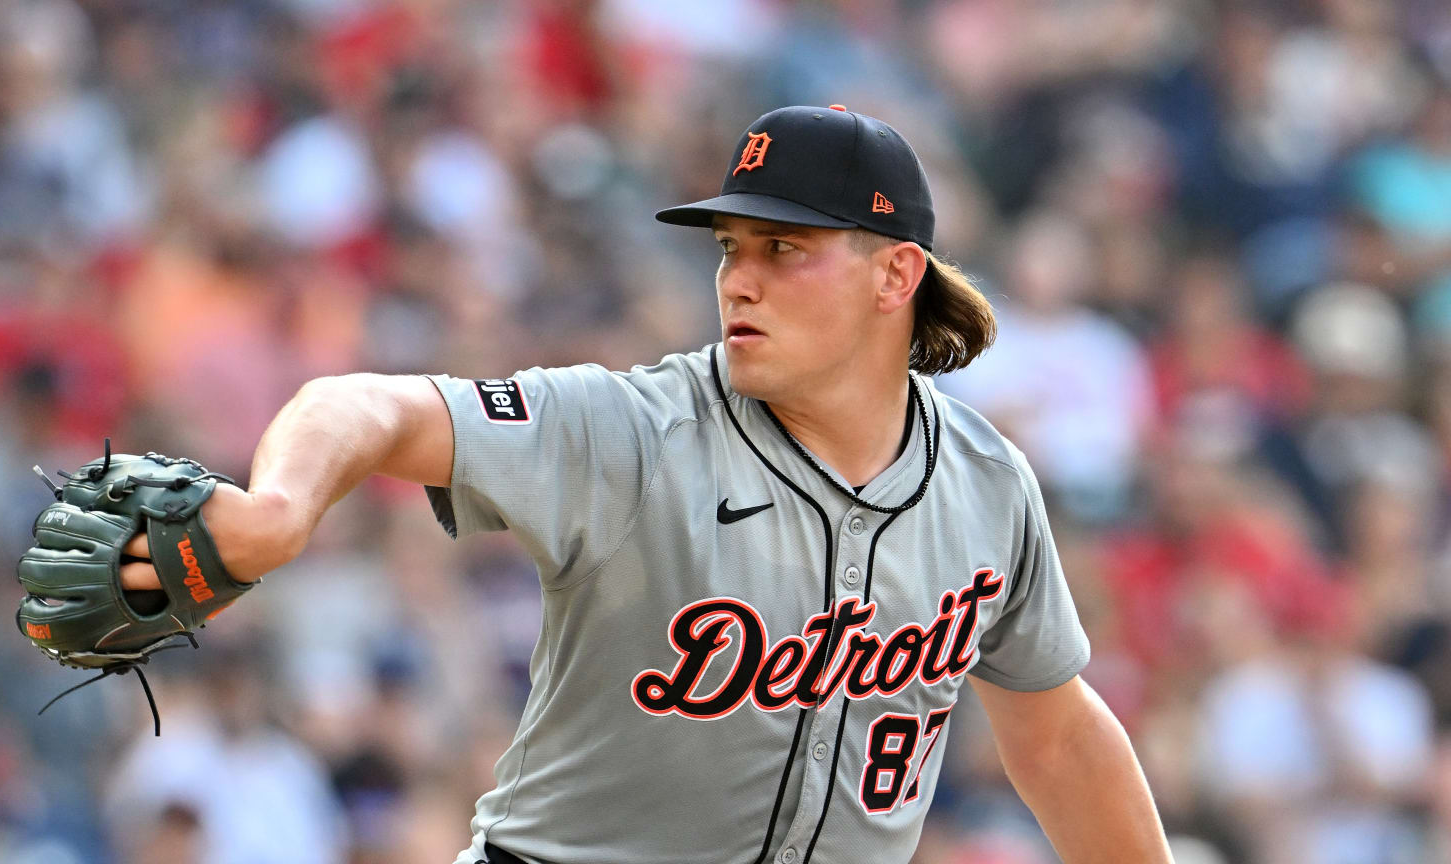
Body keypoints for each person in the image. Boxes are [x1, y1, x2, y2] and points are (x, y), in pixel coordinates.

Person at [121, 105, 1172, 863]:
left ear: (895, 276)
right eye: (728, 248)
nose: (737, 279)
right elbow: (366, 407)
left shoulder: (986, 483)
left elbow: (1059, 733)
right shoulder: (635, 429)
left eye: (781, 247)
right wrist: (279, 506)